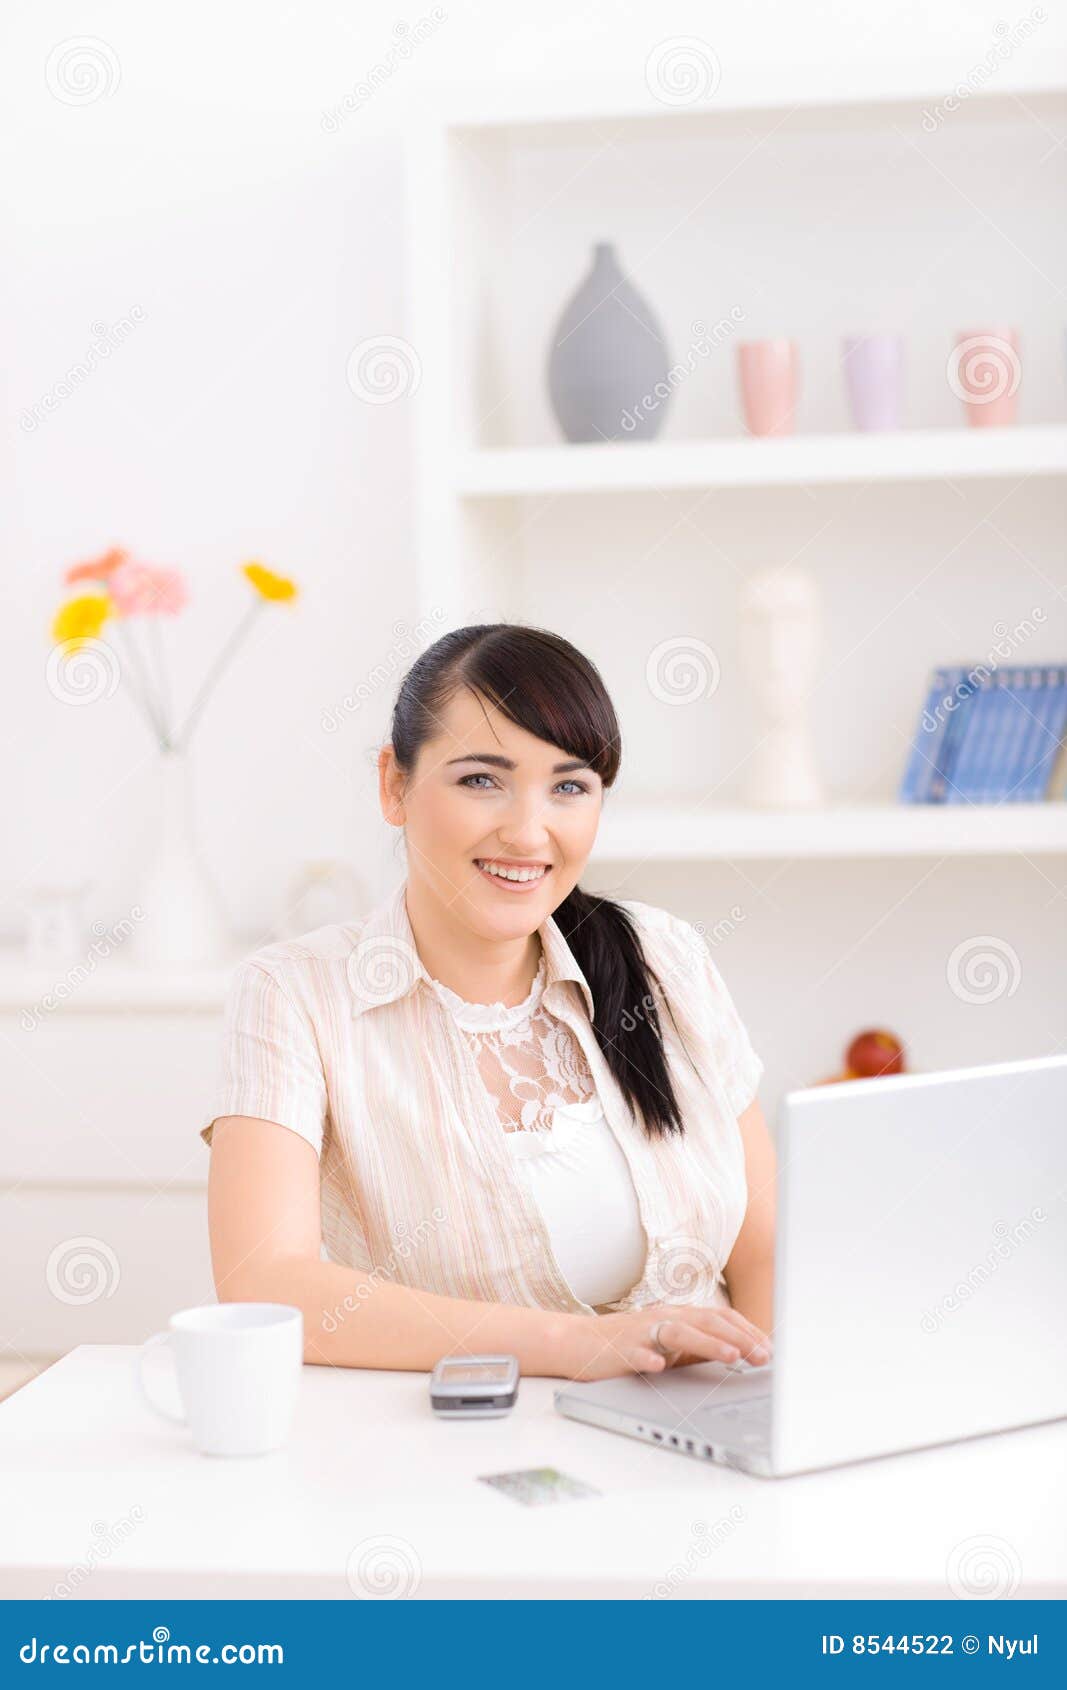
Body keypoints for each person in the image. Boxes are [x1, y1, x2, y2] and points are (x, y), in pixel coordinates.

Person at [201, 623, 776, 1380]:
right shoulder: (293, 994)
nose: (528, 832)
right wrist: (572, 1348)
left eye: (569, 787)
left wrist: (769, 1408)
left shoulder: (661, 957)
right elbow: (266, 1284)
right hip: (455, 1453)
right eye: (481, 780)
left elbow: (765, 1252)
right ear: (393, 785)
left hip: (699, 1437)